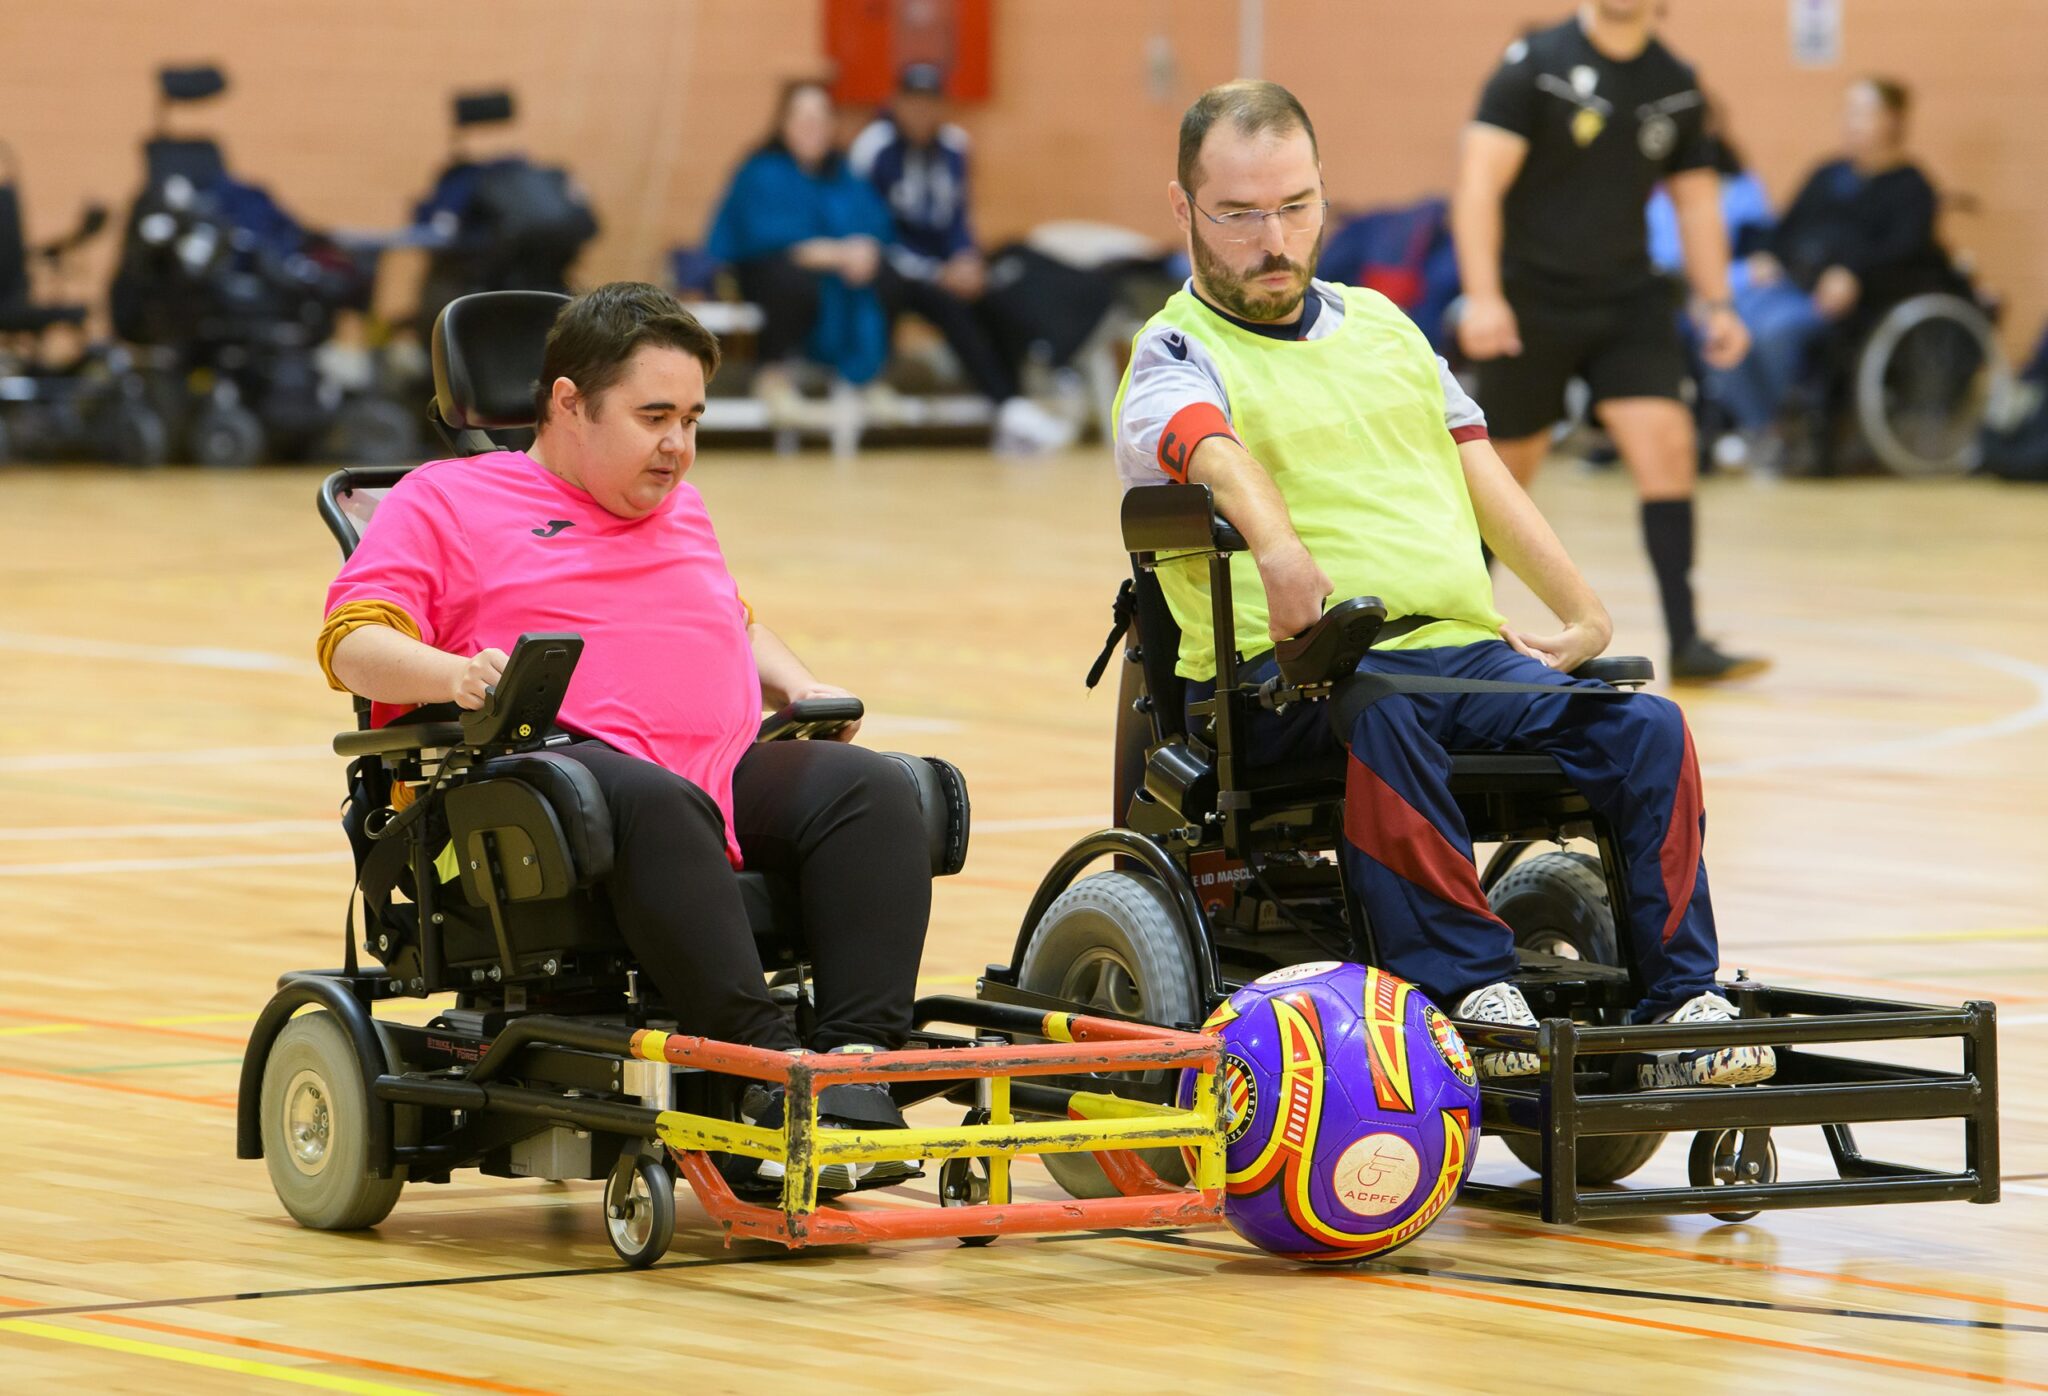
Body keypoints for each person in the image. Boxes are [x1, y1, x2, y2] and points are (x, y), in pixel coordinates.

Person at [1114, 79, 1773, 1086]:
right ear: (1182, 210)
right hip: (1284, 684)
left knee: (1644, 728)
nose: (1272, 238)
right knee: (1384, 712)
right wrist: (1281, 551)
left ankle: (1680, 999)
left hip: (1454, 658)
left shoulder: (1385, 327)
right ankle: (1467, 989)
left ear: (1322, 196)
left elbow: (1478, 469)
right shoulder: (1172, 347)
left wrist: (1580, 609)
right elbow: (1203, 448)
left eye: (1293, 207)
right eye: (1239, 214)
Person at [319, 282, 931, 1187]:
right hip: (551, 798)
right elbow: (351, 641)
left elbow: (732, 621)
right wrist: (457, 676)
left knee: (874, 789)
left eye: (690, 418)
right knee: (652, 798)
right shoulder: (442, 500)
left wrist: (800, 685)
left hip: (706, 780)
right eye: (654, 417)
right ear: (568, 402)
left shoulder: (680, 507)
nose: (678, 446)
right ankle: (763, 1077)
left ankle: (854, 1076)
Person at [1453, 0, 1765, 682]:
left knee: (1669, 448)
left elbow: (1695, 201)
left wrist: (1718, 305)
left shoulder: (1678, 83)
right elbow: (1478, 185)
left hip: (1628, 299)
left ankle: (1686, 640)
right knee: (1507, 472)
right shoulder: (1534, 67)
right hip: (1531, 297)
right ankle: (1450, 634)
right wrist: (1483, 295)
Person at [849, 63, 1073, 454]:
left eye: (930, 103)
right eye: (913, 102)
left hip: (947, 263)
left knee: (997, 296)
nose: (922, 112)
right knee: (950, 305)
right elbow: (873, 230)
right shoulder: (874, 147)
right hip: (897, 268)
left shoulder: (955, 146)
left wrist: (967, 261)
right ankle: (1006, 405)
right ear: (897, 103)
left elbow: (957, 217)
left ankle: (1017, 402)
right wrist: (939, 273)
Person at [1713, 78, 1945, 455]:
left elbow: (1903, 252)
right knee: (1725, 319)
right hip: (1796, 283)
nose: (1850, 121)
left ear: (1891, 120)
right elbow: (1787, 228)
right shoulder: (1827, 175)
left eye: (1862, 113)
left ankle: (1783, 425)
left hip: (1857, 301)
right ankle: (1761, 427)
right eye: (1848, 112)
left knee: (1774, 331)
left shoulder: (1911, 187)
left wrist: (1854, 275)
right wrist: (1770, 257)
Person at [705, 80, 894, 428]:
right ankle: (774, 379)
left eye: (821, 117)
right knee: (789, 280)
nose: (812, 127)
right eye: (803, 117)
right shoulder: (760, 169)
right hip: (761, 269)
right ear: (784, 122)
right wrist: (839, 255)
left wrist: (864, 250)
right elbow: (765, 236)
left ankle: (865, 378)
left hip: (837, 269)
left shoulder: (843, 173)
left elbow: (874, 224)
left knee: (887, 277)